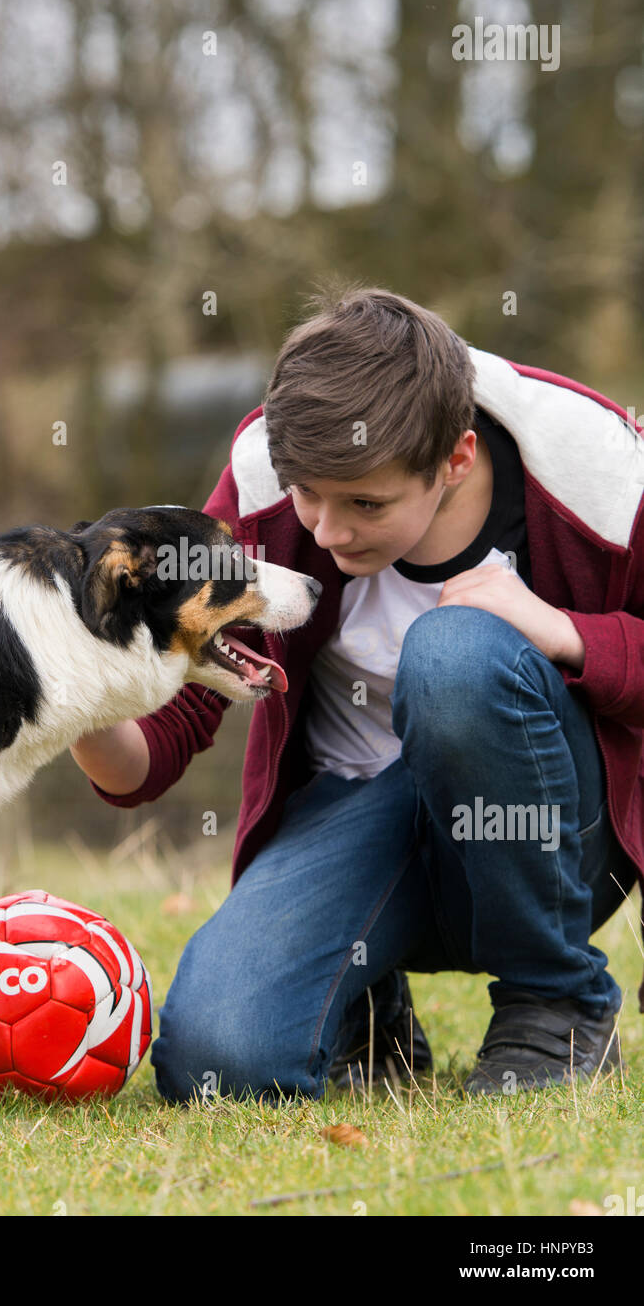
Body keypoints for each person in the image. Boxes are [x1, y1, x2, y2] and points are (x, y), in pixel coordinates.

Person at [70, 285, 644, 1100]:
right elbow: (171, 724)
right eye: (310, 495)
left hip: (551, 834)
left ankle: (556, 1005)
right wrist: (78, 691)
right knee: (219, 1062)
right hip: (354, 812)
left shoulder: (601, 475)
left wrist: (565, 633)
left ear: (456, 459)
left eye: (365, 504)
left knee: (453, 659)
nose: (327, 532)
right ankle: (368, 1012)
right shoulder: (266, 479)